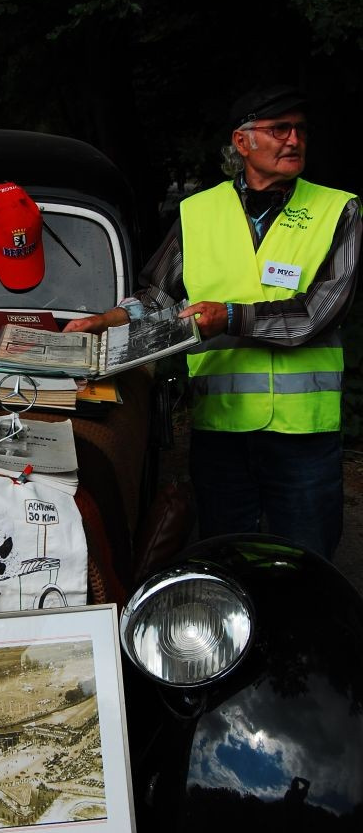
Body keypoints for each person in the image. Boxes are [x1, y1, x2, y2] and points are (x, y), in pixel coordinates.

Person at [65, 84, 362, 559]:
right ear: (242, 142)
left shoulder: (337, 209)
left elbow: (316, 314)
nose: (293, 140)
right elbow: (160, 294)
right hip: (220, 428)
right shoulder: (198, 212)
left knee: (306, 561)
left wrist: (230, 317)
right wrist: (109, 319)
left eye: (300, 130)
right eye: (278, 129)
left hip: (303, 434)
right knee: (226, 556)